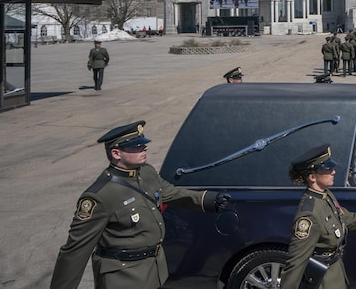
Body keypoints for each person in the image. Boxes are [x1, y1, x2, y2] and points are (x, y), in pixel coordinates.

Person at [50, 121, 230, 289]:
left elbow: (169, 192)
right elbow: (75, 251)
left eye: (143, 143)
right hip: (123, 276)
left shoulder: (146, 172)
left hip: (153, 269)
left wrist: (206, 199)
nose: (144, 147)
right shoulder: (100, 196)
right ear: (116, 153)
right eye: (136, 146)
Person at [281, 144, 356, 289]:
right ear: (312, 177)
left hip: (335, 272)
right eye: (327, 169)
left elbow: (346, 218)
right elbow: (296, 262)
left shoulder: (325, 195)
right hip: (323, 281)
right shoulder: (309, 214)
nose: (333, 171)